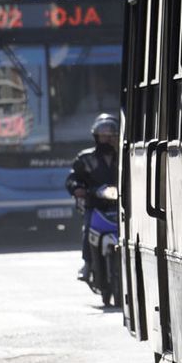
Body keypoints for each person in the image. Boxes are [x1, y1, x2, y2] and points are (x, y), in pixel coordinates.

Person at [66, 114, 118, 282]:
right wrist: (77, 188)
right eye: (103, 136)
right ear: (96, 137)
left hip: (121, 206)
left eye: (111, 136)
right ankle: (87, 265)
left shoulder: (127, 157)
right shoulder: (85, 158)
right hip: (95, 206)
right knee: (88, 229)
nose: (107, 140)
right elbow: (73, 178)